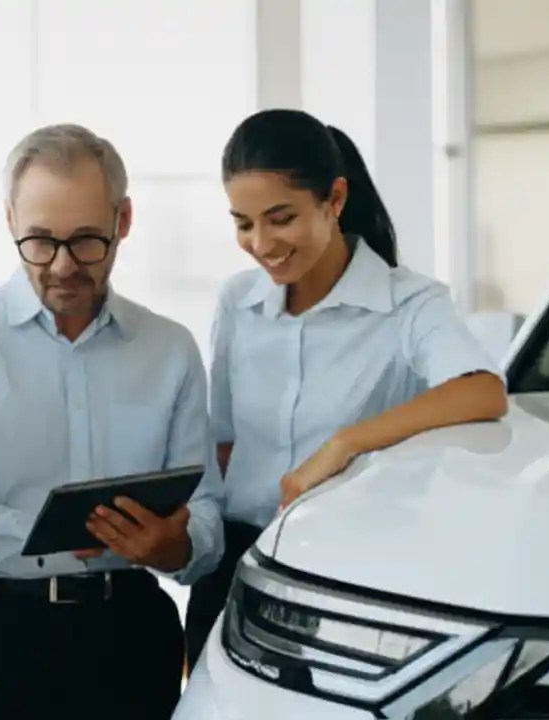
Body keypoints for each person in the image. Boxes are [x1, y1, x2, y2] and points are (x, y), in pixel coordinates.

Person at [0, 123, 223, 720]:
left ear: (123, 220)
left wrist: (176, 545)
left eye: (87, 241)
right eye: (40, 241)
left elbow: (205, 515)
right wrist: (56, 539)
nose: (63, 266)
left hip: (130, 636)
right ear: (9, 222)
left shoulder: (170, 349)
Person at [182, 109, 509, 667]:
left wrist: (343, 446)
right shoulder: (237, 302)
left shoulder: (410, 303)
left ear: (334, 199)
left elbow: (482, 391)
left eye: (280, 218)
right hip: (236, 570)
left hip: (351, 571)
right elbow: (224, 440)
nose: (261, 243)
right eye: (243, 223)